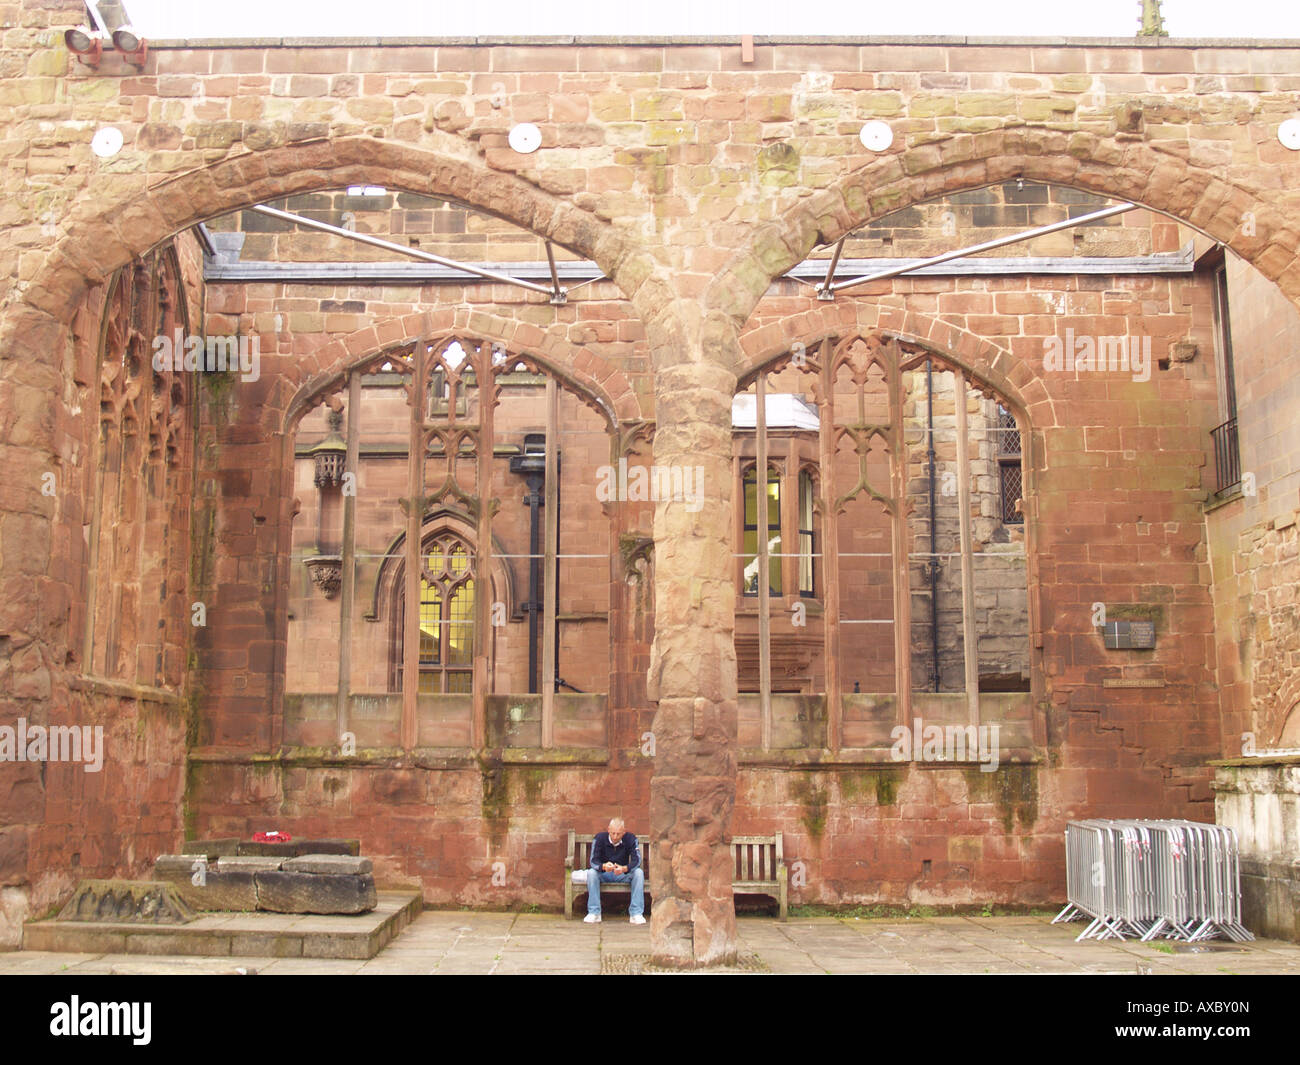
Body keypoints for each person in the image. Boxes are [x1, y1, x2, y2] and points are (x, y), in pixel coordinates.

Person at [584, 817, 645, 924]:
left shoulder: (630, 838)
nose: (615, 837)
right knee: (592, 873)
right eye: (613, 833)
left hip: (622, 874)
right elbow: (593, 861)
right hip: (604, 874)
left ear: (624, 832)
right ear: (608, 830)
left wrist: (624, 868)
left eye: (618, 834)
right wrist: (604, 866)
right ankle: (594, 912)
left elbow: (637, 860)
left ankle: (636, 913)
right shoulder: (599, 838)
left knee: (639, 873)